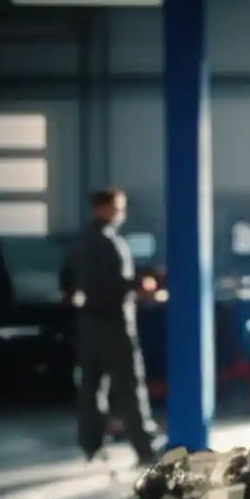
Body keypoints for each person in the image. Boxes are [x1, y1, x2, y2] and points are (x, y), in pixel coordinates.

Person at [68, 188, 157, 466]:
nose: (121, 214)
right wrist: (139, 285)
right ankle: (145, 447)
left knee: (92, 388)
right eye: (117, 208)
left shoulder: (80, 241)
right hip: (115, 325)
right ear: (102, 208)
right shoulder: (108, 243)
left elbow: (68, 279)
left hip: (89, 323)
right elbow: (112, 284)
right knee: (129, 387)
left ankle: (91, 446)